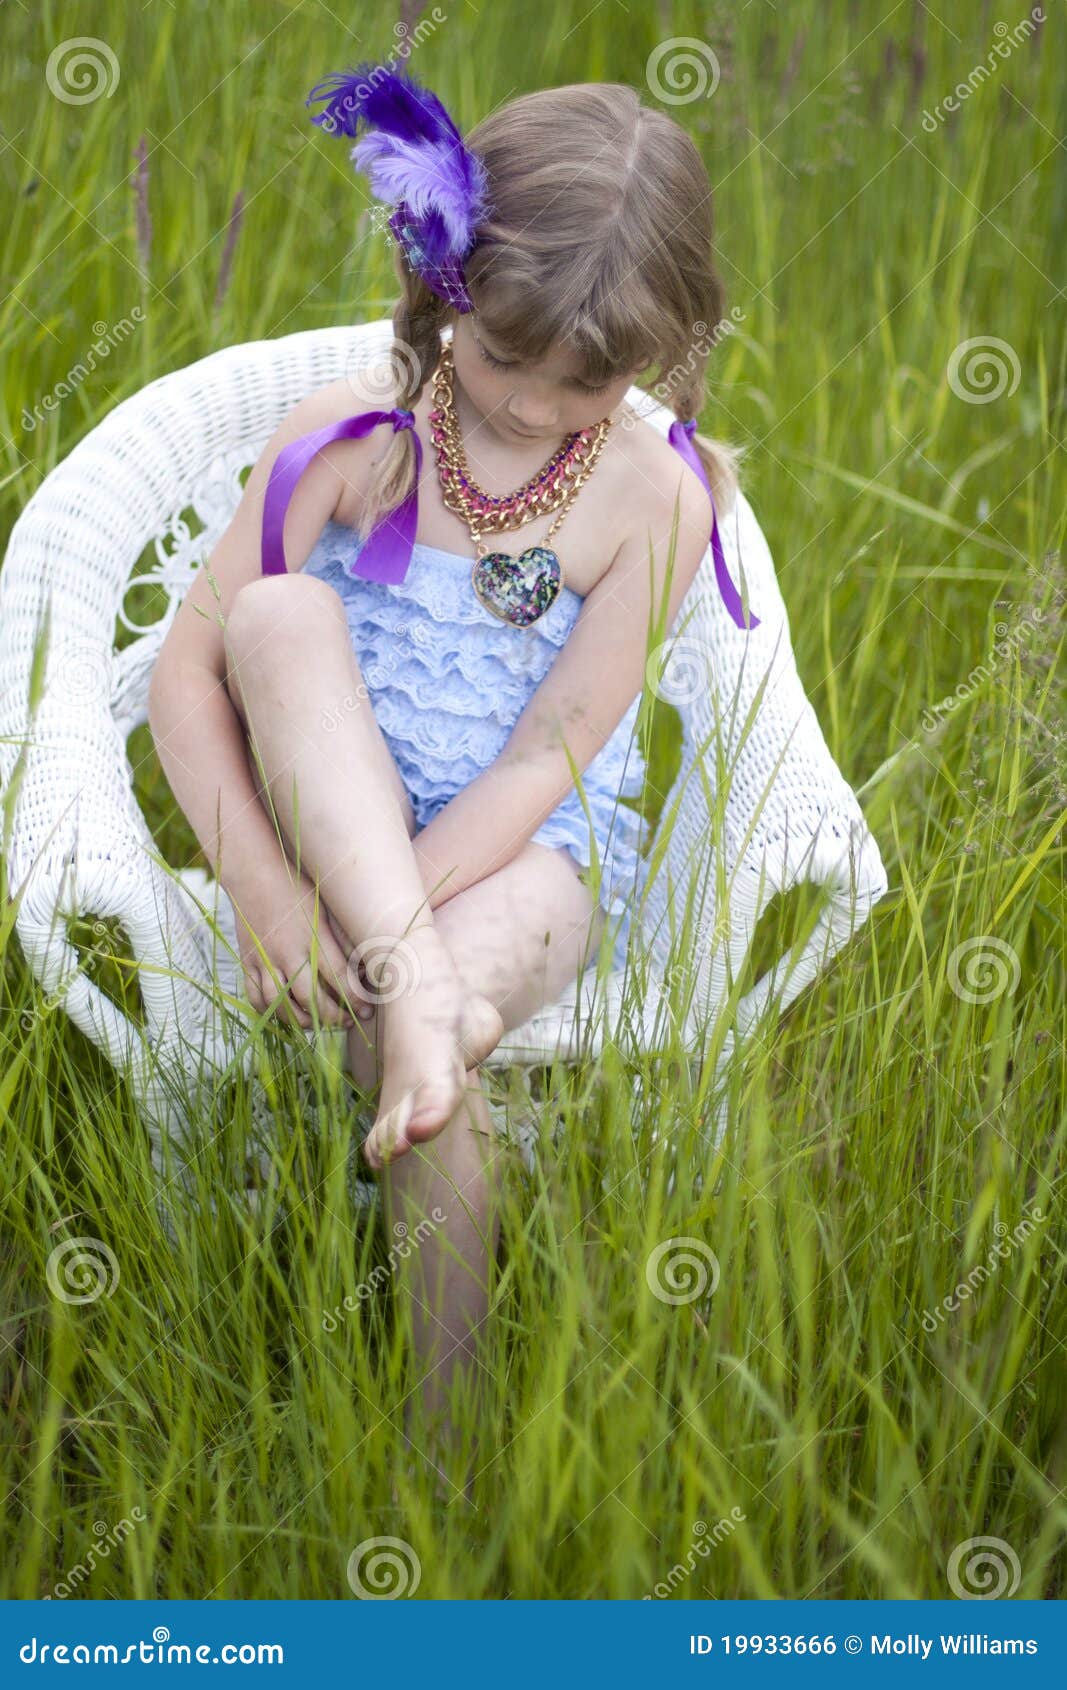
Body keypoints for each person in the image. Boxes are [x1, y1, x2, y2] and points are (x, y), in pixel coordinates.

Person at [148, 61, 759, 1485]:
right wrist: (263, 885)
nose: (542, 409)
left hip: (529, 863)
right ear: (441, 290)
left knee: (413, 1022)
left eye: (590, 382)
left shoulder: (651, 497)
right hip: (325, 827)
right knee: (278, 616)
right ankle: (444, 1436)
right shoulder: (360, 434)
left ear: (663, 353)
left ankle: (446, 1443)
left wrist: (393, 937)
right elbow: (190, 673)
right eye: (503, 362)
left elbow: (557, 748)